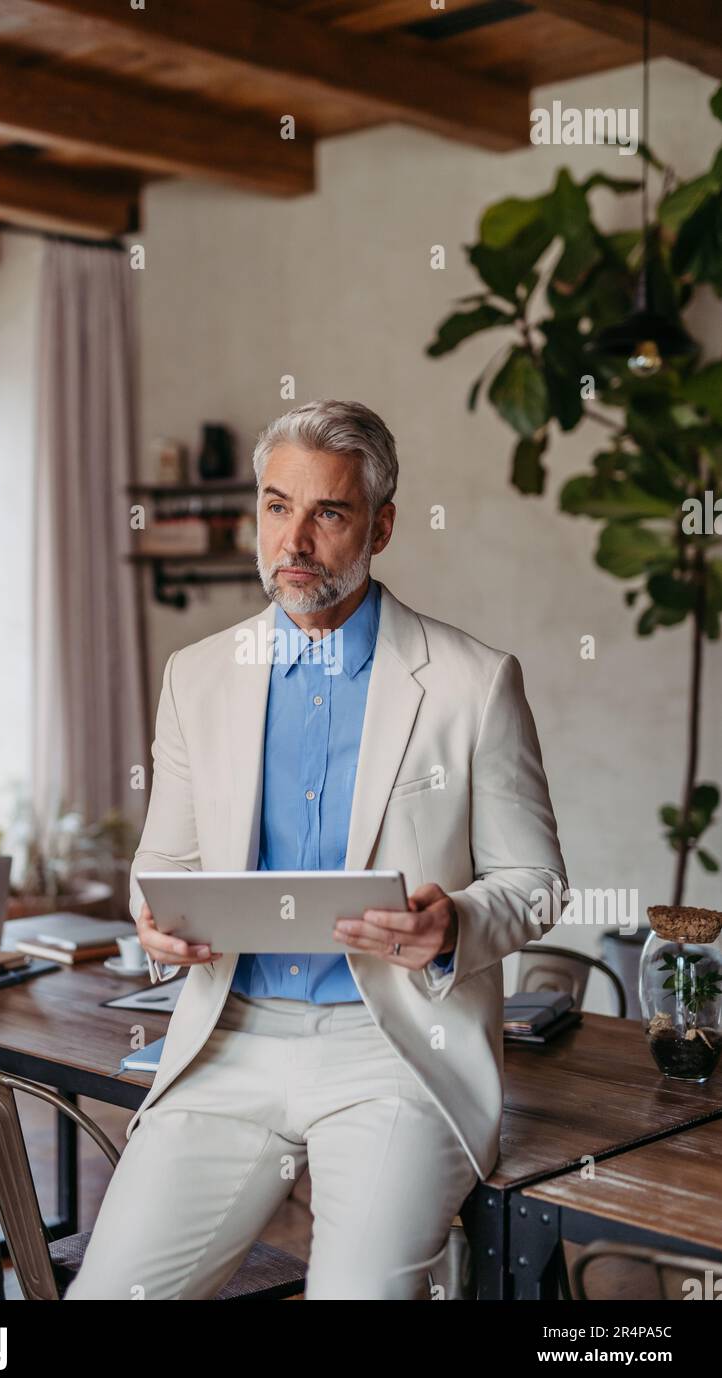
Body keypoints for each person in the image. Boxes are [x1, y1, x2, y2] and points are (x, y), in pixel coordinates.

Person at [65, 398, 567, 1300]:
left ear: (381, 526)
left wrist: (454, 924)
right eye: (275, 506)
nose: (293, 540)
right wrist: (157, 923)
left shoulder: (472, 683)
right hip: (228, 1042)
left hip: (396, 1052)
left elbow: (536, 883)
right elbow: (166, 866)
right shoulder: (197, 677)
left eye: (327, 512)